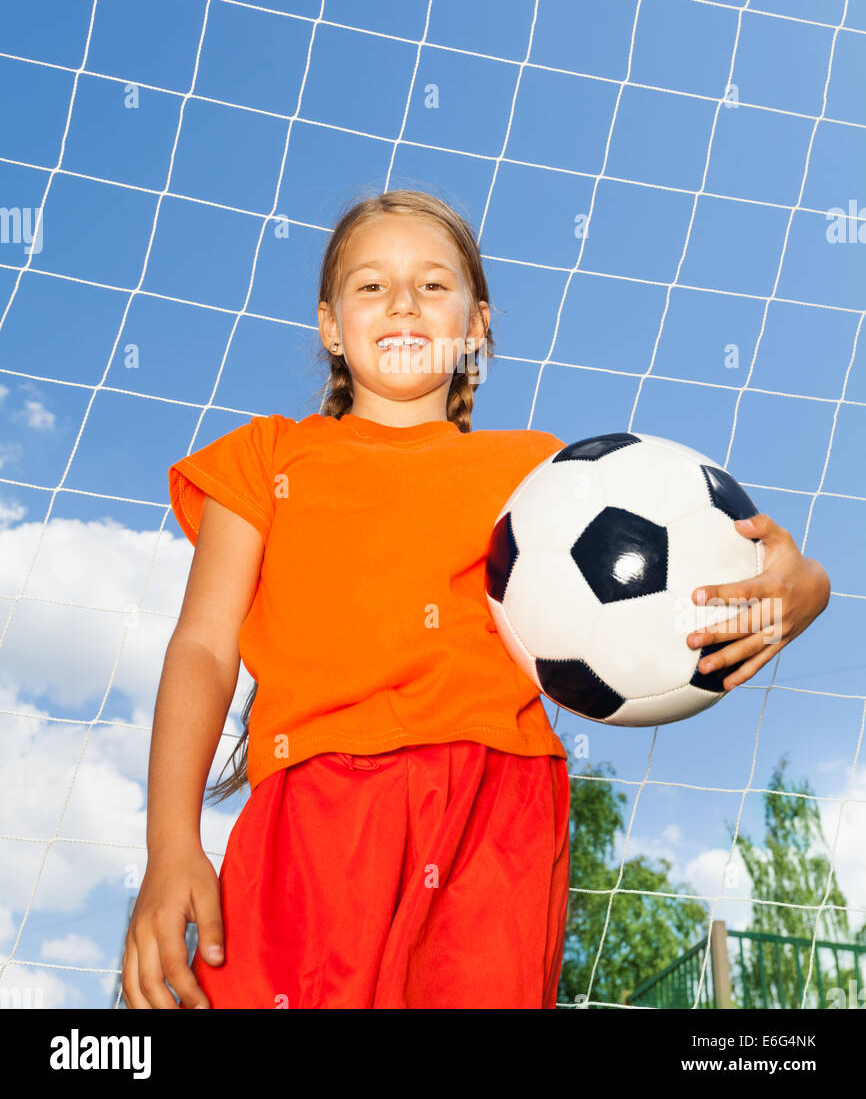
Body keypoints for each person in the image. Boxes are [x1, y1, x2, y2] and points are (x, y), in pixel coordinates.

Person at [120, 189, 831, 1010]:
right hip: (312, 814)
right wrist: (172, 843)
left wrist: (801, 590)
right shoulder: (265, 459)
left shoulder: (544, 480)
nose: (403, 304)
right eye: (371, 286)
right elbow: (204, 647)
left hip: (496, 818)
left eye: (432, 285)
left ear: (477, 326)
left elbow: (720, 566)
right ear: (328, 325)